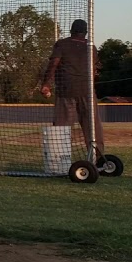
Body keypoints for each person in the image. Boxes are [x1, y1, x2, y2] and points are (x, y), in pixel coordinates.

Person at [40, 18, 104, 159]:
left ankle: (58, 161)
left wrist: (46, 84)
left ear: (71, 31)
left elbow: (53, 64)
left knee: (61, 128)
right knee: (93, 128)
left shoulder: (62, 44)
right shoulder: (91, 47)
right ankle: (98, 160)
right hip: (87, 91)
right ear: (86, 32)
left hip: (66, 90)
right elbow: (94, 70)